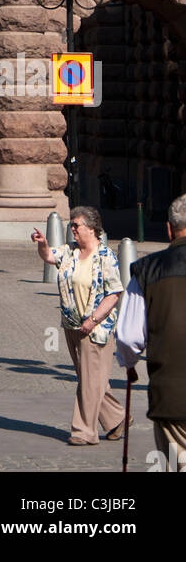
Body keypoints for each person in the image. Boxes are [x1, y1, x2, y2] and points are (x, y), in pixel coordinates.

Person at [31, 206, 125, 445]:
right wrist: (42, 243)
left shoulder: (105, 257)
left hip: (96, 328)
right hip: (71, 325)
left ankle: (83, 431)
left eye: (76, 225)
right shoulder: (70, 252)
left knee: (89, 381)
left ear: (91, 228)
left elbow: (114, 293)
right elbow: (49, 256)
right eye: (71, 225)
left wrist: (94, 319)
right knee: (91, 379)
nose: (72, 229)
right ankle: (117, 418)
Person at [116, 192, 186, 471]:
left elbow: (128, 337)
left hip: (171, 396)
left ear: (168, 229)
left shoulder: (147, 270)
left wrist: (130, 364)